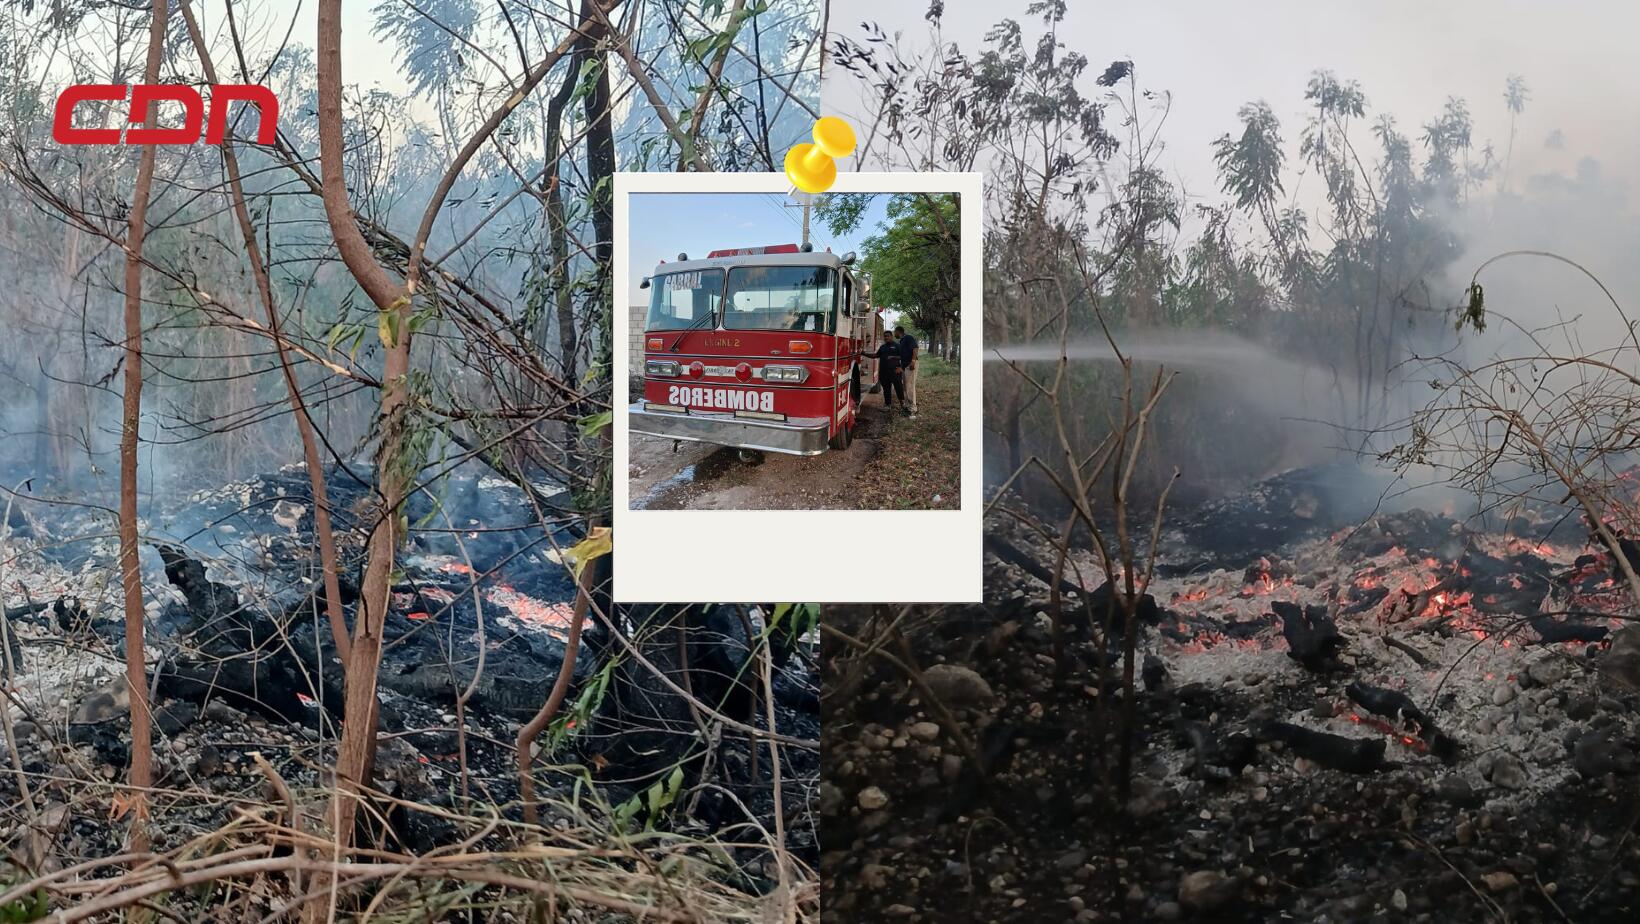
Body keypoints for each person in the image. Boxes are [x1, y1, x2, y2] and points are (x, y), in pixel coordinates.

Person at [874, 331, 905, 411]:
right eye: (885, 336)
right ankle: (888, 405)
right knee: (886, 389)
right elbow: (876, 355)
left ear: (891, 337)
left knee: (899, 388)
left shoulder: (897, 346)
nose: (886, 338)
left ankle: (903, 405)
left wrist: (900, 367)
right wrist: (863, 353)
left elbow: (903, 357)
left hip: (895, 372)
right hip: (884, 372)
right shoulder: (882, 347)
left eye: (888, 336)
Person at [895, 325, 919, 415]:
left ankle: (913, 408)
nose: (894, 334)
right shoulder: (902, 341)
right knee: (905, 386)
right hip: (905, 366)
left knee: (910, 386)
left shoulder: (908, 337)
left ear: (898, 331)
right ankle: (907, 406)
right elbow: (904, 355)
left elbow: (915, 348)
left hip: (910, 364)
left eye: (895, 332)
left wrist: (913, 361)